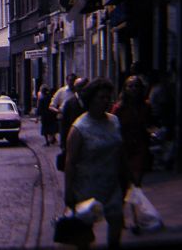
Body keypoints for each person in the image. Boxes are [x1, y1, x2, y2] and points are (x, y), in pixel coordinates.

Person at [64, 78, 124, 249]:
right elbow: (70, 162)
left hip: (111, 184)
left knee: (116, 221)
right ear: (91, 99)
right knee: (85, 233)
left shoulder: (114, 121)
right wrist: (68, 191)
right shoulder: (79, 128)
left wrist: (128, 177)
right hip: (86, 186)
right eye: (101, 98)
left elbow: (120, 150)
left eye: (108, 98)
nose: (105, 102)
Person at [111, 75, 152, 187]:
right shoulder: (119, 108)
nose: (134, 89)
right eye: (130, 86)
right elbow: (113, 127)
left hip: (139, 144)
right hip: (123, 145)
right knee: (124, 180)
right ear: (125, 88)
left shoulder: (145, 106)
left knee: (137, 179)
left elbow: (149, 123)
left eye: (136, 86)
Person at [60, 77, 87, 151]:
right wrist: (63, 143)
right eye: (82, 88)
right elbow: (64, 124)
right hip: (74, 137)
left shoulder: (90, 102)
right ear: (77, 89)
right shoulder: (69, 103)